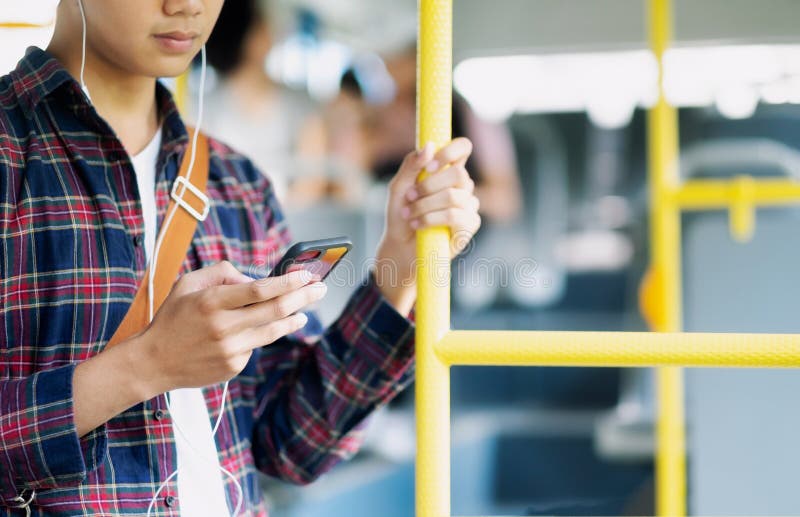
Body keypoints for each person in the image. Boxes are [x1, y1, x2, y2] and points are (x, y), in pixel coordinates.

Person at [0, 1, 480, 516]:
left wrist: (400, 261)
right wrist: (145, 366)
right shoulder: (11, 152)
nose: (188, 5)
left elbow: (292, 444)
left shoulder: (236, 181)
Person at [202, 0, 328, 206]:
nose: (272, 32)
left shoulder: (301, 104)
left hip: (290, 224)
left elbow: (311, 182)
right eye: (262, 25)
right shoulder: (204, 107)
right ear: (244, 35)